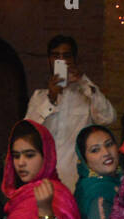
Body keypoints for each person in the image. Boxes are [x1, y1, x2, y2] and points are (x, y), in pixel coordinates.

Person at [25, 34, 115, 189]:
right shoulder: (39, 97)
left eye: (66, 56)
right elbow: (28, 133)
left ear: (74, 60)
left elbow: (108, 118)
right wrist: (51, 99)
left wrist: (84, 81)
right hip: (45, 179)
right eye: (56, 56)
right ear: (49, 60)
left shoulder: (86, 94)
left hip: (77, 178)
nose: (61, 60)